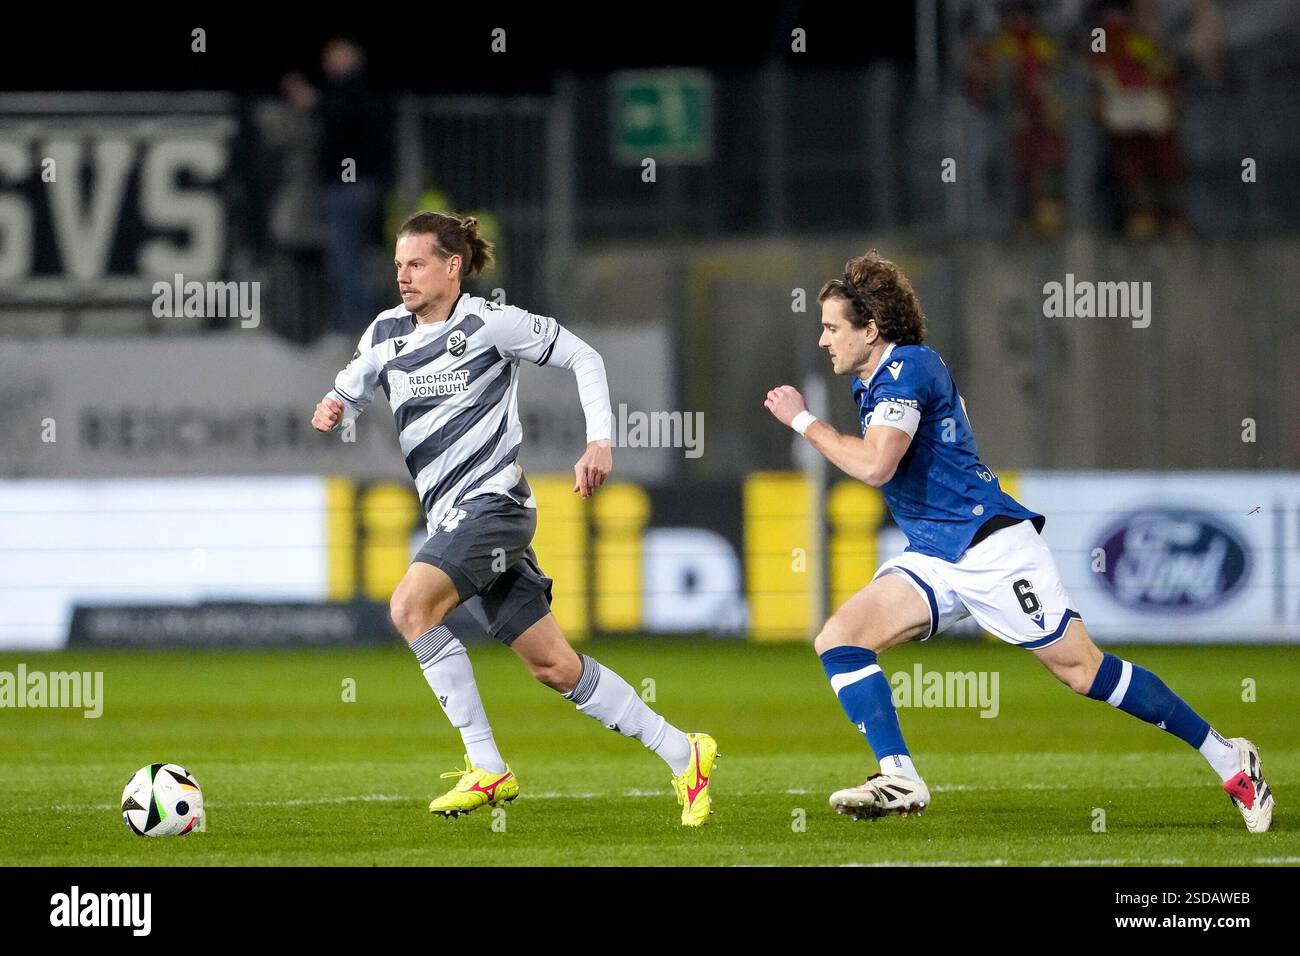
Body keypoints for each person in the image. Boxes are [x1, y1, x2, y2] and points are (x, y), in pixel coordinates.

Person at [762, 249, 1272, 832]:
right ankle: (899, 775)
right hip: (936, 553)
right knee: (842, 639)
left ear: (870, 329)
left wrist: (803, 422)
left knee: (1082, 671)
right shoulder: (880, 381)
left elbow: (878, 465)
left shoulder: (907, 368)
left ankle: (1231, 759)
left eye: (831, 327)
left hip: (989, 547)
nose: (824, 340)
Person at [311, 212, 717, 826]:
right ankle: (683, 752)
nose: (403, 276)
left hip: (494, 507)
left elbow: (585, 356)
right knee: (554, 667)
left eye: (416, 263)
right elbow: (351, 386)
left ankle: (487, 766)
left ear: (453, 265)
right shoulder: (385, 332)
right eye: (398, 265)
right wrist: (336, 404)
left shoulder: (490, 323)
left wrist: (599, 441)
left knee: (410, 608)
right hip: (456, 519)